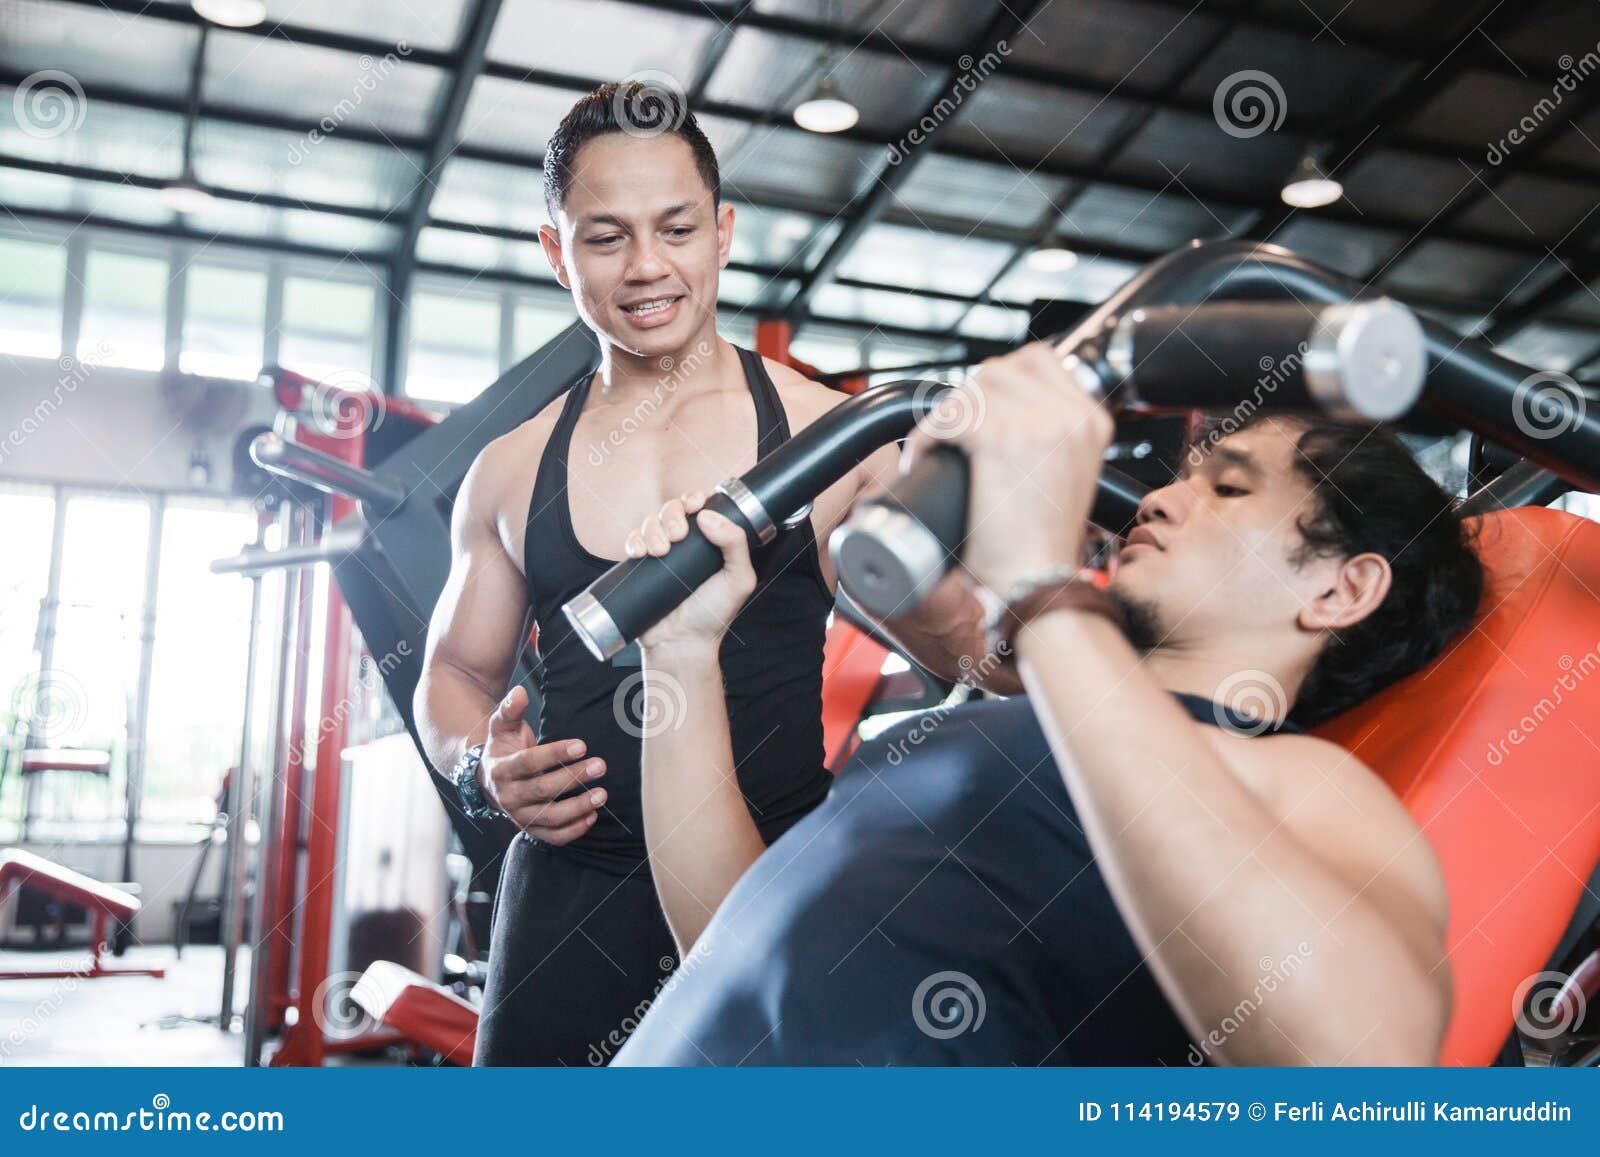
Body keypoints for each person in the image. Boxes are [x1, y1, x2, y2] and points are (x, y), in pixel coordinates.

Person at [613, 343, 1485, 1065]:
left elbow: (1361, 1061)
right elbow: (727, 940)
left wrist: (1041, 588)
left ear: (1344, 588)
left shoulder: (1300, 779)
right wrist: (680, 654)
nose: (1156, 497)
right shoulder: (1005, 719)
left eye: (1227, 487)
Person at [412, 82, 1010, 1066]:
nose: (648, 267)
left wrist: (1005, 551)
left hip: (767, 882)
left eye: (676, 228)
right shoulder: (510, 468)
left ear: (722, 232)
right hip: (570, 894)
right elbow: (455, 675)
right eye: (605, 238)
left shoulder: (832, 437)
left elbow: (970, 652)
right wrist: (483, 765)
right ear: (556, 251)